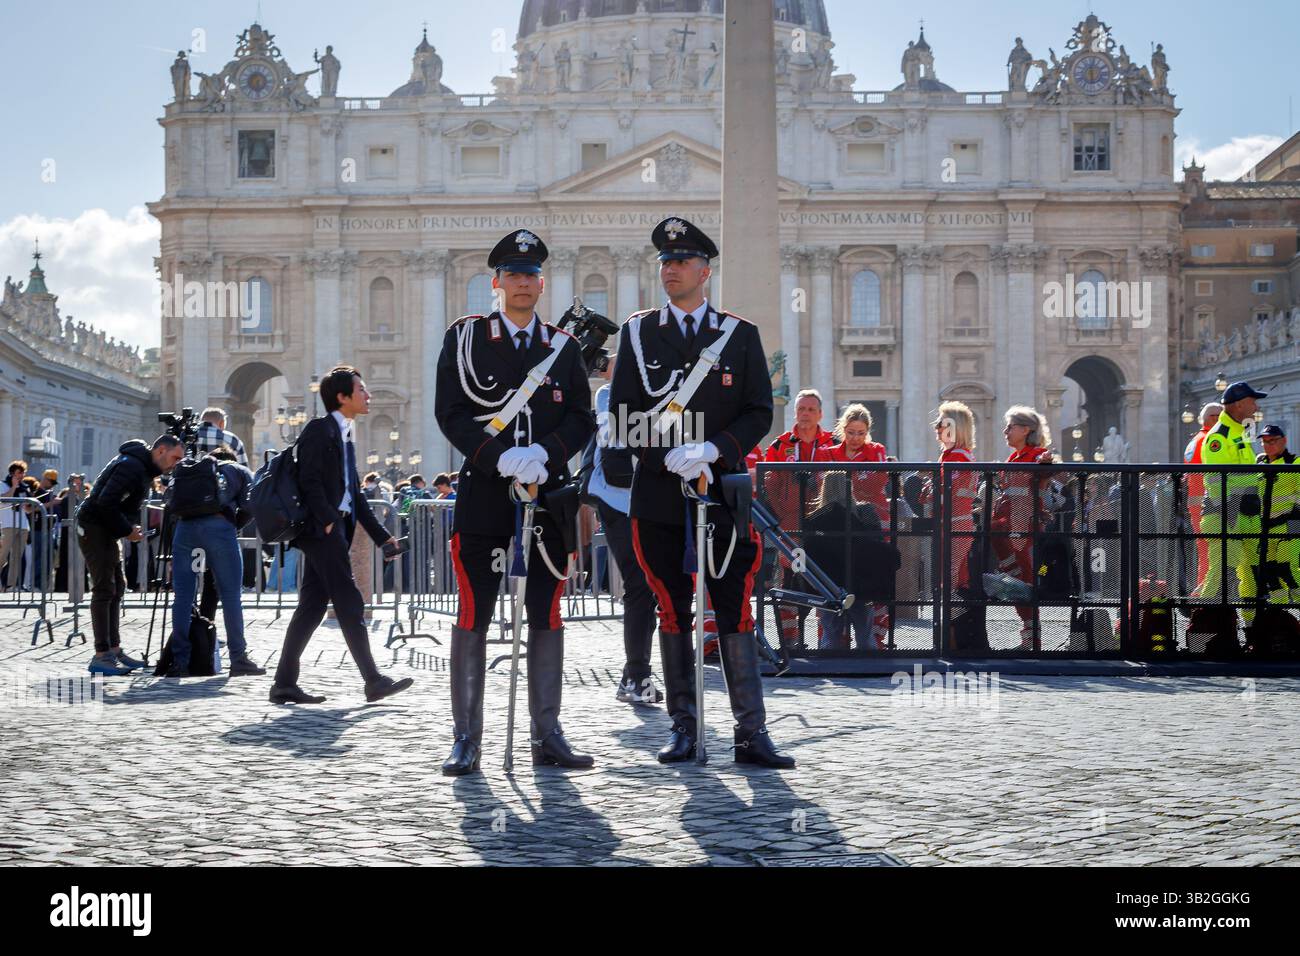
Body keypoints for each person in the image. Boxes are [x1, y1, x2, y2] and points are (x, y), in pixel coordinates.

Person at [609, 216, 794, 768]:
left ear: (705, 271)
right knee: (671, 606)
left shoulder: (739, 335)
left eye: (682, 261)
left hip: (721, 491)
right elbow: (622, 415)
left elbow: (759, 410)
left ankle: (751, 733)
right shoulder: (638, 334)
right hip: (660, 495)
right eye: (665, 261)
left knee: (735, 605)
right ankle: (684, 727)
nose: (671, 269)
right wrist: (665, 454)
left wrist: (713, 449)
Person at [434, 230, 597, 775]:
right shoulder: (464, 339)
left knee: (546, 612)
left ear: (542, 284)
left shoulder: (563, 348)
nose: (522, 283)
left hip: (548, 494)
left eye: (531, 274)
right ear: (496, 281)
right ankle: (466, 738)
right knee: (473, 608)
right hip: (486, 490)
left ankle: (547, 735)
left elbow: (581, 417)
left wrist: (545, 455)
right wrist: (500, 457)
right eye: (513, 273)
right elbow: (451, 412)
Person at [269, 367, 411, 705]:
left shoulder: (345, 433)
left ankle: (284, 683)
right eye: (361, 389)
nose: (368, 395)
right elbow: (310, 480)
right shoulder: (320, 430)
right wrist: (329, 520)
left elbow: (356, 495)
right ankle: (373, 680)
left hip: (334, 529)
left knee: (311, 607)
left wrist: (382, 538)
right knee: (349, 600)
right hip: (322, 531)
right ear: (342, 397)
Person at [582, 353, 663, 705]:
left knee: (652, 588)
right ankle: (638, 673)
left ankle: (635, 674)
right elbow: (626, 428)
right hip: (616, 500)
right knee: (639, 585)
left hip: (649, 499)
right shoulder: (606, 394)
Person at [77, 436, 186, 675]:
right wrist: (127, 530)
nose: (176, 464)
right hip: (94, 527)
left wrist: (128, 528)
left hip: (105, 528)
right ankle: (101, 654)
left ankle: (113, 649)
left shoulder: (142, 467)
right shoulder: (131, 466)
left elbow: (125, 505)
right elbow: (106, 502)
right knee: (105, 588)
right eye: (175, 457)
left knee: (117, 588)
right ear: (160, 451)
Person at [164, 447, 265, 677]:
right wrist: (233, 525)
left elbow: (170, 503)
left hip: (185, 529)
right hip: (219, 528)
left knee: (183, 597)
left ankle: (180, 661)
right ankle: (238, 659)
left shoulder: (189, 472)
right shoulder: (238, 470)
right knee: (230, 596)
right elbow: (251, 505)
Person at [762, 389, 836, 649]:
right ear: (795, 412)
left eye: (811, 410)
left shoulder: (833, 443)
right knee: (791, 580)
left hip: (825, 525)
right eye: (801, 409)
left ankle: (825, 640)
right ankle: (790, 641)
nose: (805, 414)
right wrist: (781, 514)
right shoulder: (780, 445)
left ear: (820, 414)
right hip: (791, 526)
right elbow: (767, 484)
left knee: (824, 580)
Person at [822, 403, 891, 650]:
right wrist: (858, 480)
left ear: (868, 432)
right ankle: (835, 639)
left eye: (861, 433)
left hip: (869, 526)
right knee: (835, 581)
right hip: (837, 529)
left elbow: (877, 482)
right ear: (843, 429)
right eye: (851, 432)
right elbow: (825, 487)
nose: (855, 438)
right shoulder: (828, 452)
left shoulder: (877, 450)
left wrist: (845, 482)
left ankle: (876, 639)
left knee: (872, 582)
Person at [1197, 382, 1268, 621]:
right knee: (1223, 572)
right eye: (1252, 401)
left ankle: (1252, 625)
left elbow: (1245, 470)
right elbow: (1218, 479)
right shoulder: (1219, 436)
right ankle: (1204, 627)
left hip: (1246, 513)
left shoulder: (1242, 432)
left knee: (1252, 573)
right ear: (1238, 404)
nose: (1256, 406)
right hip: (1225, 514)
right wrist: (1252, 481)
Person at [992, 406, 1054, 648]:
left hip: (1024, 526)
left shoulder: (1037, 454)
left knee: (1025, 579)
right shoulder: (1013, 457)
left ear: (1025, 429)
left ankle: (1032, 638)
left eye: (1010, 426)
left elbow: (1046, 469)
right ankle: (1029, 636)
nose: (1005, 431)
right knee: (1016, 580)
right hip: (1005, 526)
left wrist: (1045, 463)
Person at [922, 401, 979, 591]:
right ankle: (955, 619)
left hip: (955, 521)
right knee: (955, 574)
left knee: (950, 574)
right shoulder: (951, 455)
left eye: (942, 422)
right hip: (951, 521)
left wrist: (931, 490)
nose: (936, 426)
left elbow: (949, 493)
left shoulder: (957, 457)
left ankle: (951, 618)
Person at [1255, 423, 1300, 605]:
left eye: (1272, 440)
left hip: (1287, 527)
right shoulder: (1259, 464)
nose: (1267, 445)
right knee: (1268, 572)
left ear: (1284, 441)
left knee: (1287, 570)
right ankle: (1279, 612)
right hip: (1265, 528)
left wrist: (1295, 528)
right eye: (1264, 442)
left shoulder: (1294, 463)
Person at [1184, 402, 1223, 594]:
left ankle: (1202, 596)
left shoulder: (1195, 441)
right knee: (1213, 554)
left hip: (1197, 502)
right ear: (1214, 418)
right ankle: (1203, 598)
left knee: (1205, 553)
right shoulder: (1211, 440)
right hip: (1211, 503)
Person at [1, 460, 32, 592]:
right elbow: (3, 500)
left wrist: (29, 506)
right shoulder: (2, 484)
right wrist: (13, 487)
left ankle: (9, 585)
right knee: (3, 555)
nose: (21, 475)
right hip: (7, 525)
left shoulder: (25, 488)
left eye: (23, 473)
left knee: (17, 557)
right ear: (12, 473)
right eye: (19, 472)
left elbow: (28, 510)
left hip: (23, 525)